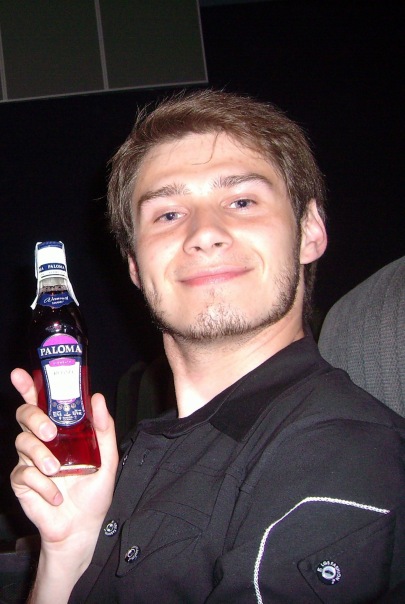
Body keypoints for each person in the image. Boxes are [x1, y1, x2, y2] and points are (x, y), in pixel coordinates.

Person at [10, 89, 405, 603]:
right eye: (168, 214)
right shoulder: (136, 454)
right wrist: (70, 549)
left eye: (241, 201)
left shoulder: (340, 451)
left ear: (309, 231)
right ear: (135, 266)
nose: (204, 233)